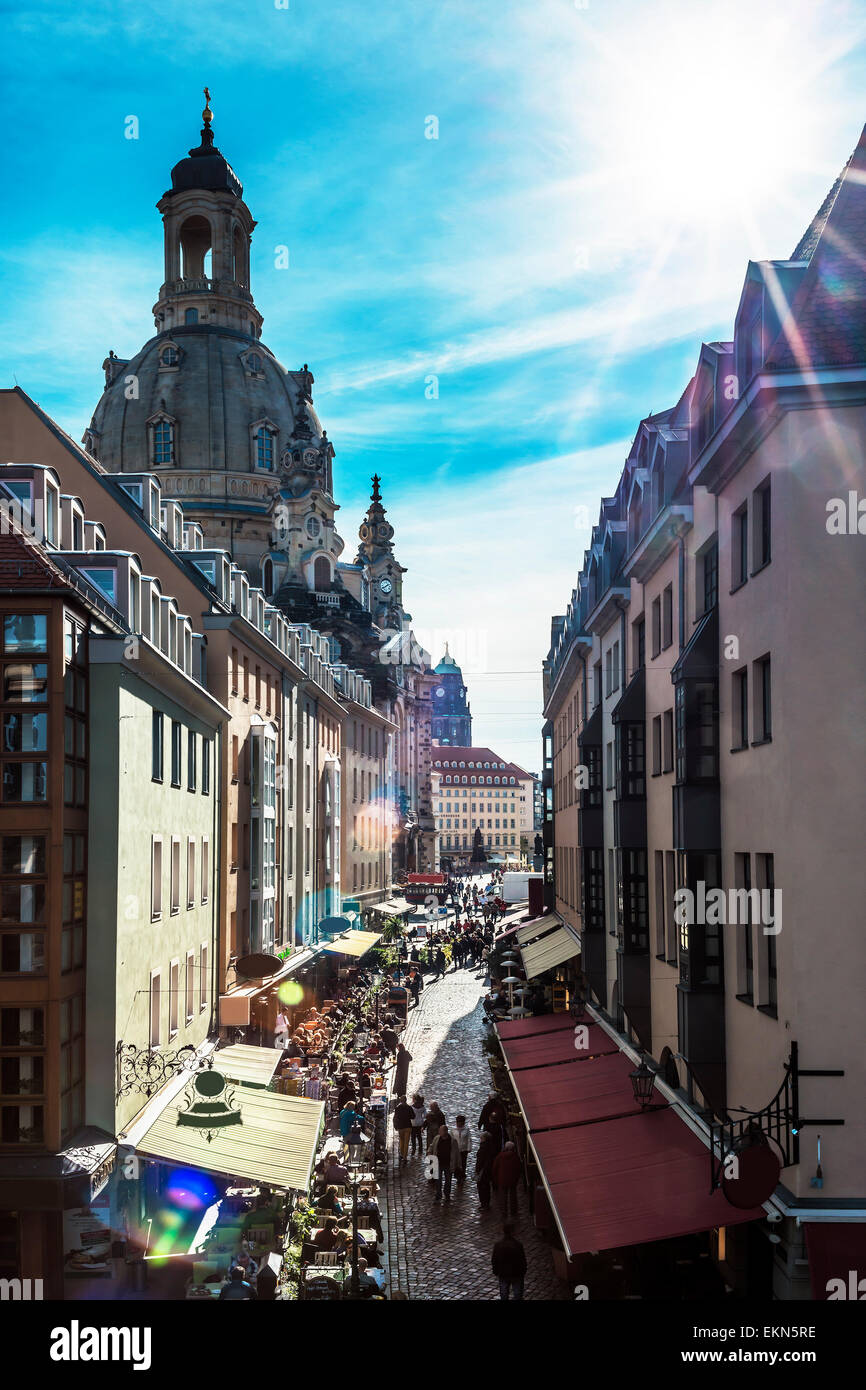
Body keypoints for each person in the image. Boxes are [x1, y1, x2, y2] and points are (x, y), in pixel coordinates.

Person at [492, 1223, 527, 1300]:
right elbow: (522, 1261)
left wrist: (496, 1271)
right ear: (513, 1232)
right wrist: (523, 1271)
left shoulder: (498, 1245)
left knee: (504, 1295)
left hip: (503, 1274)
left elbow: (494, 1260)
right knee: (518, 1295)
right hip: (516, 1274)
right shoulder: (518, 1245)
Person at [491, 1140, 521, 1219]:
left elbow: (495, 1168)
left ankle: (504, 1211)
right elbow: (519, 1169)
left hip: (502, 1179)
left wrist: (496, 1179)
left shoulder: (500, 1156)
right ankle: (513, 1211)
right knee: (513, 1196)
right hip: (512, 1180)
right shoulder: (515, 1157)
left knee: (503, 1196)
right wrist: (516, 1178)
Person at [430, 1124, 453, 1204]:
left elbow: (456, 1154)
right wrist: (429, 1152)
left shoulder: (452, 1141)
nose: (439, 1132)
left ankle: (447, 1195)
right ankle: (438, 1196)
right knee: (438, 1181)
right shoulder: (437, 1138)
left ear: (445, 1131)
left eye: (440, 1130)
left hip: (448, 1164)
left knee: (448, 1181)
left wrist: (458, 1165)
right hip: (438, 1163)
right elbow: (432, 1146)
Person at [475, 1129, 496, 1209]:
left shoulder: (483, 1147)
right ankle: (486, 1203)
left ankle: (484, 1203)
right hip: (487, 1170)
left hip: (483, 1171)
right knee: (486, 1187)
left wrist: (477, 1170)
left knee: (482, 1187)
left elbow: (480, 1160)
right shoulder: (491, 1146)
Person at [393, 1094, 415, 1166]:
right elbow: (413, 1116)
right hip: (408, 1126)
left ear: (400, 1100)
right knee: (406, 1142)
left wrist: (395, 1125)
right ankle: (405, 1157)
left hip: (401, 1127)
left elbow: (395, 1118)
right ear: (406, 1100)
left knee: (401, 1141)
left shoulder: (397, 1108)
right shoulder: (409, 1108)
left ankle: (402, 1154)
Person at [451, 1114, 472, 1184]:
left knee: (463, 1163)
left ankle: (462, 1175)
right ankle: (458, 1177)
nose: (459, 1124)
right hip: (456, 1150)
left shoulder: (466, 1130)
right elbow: (451, 1139)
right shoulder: (453, 1130)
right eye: (458, 1122)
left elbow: (469, 1139)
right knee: (456, 1163)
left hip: (464, 1150)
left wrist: (469, 1148)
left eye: (461, 1122)